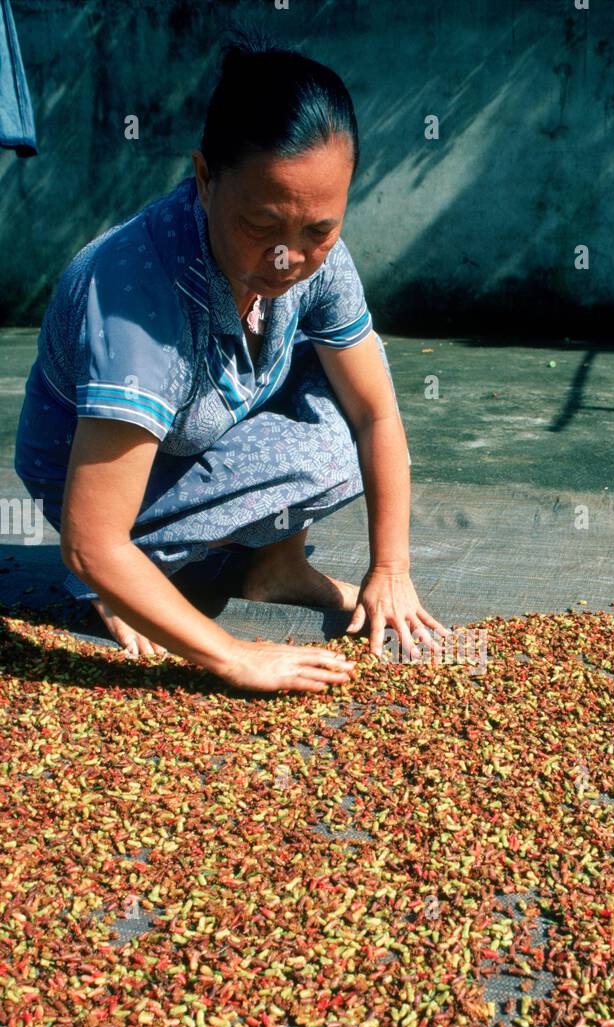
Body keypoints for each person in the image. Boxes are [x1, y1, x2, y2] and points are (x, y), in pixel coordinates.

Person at [14, 37, 446, 693]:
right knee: (109, 554)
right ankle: (128, 582)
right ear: (205, 179)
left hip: (199, 429)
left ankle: (274, 568)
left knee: (337, 421)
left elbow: (375, 412)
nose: (287, 258)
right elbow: (90, 538)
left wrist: (391, 566)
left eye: (317, 230)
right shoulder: (144, 300)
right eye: (261, 225)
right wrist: (232, 655)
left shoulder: (313, 256)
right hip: (96, 476)